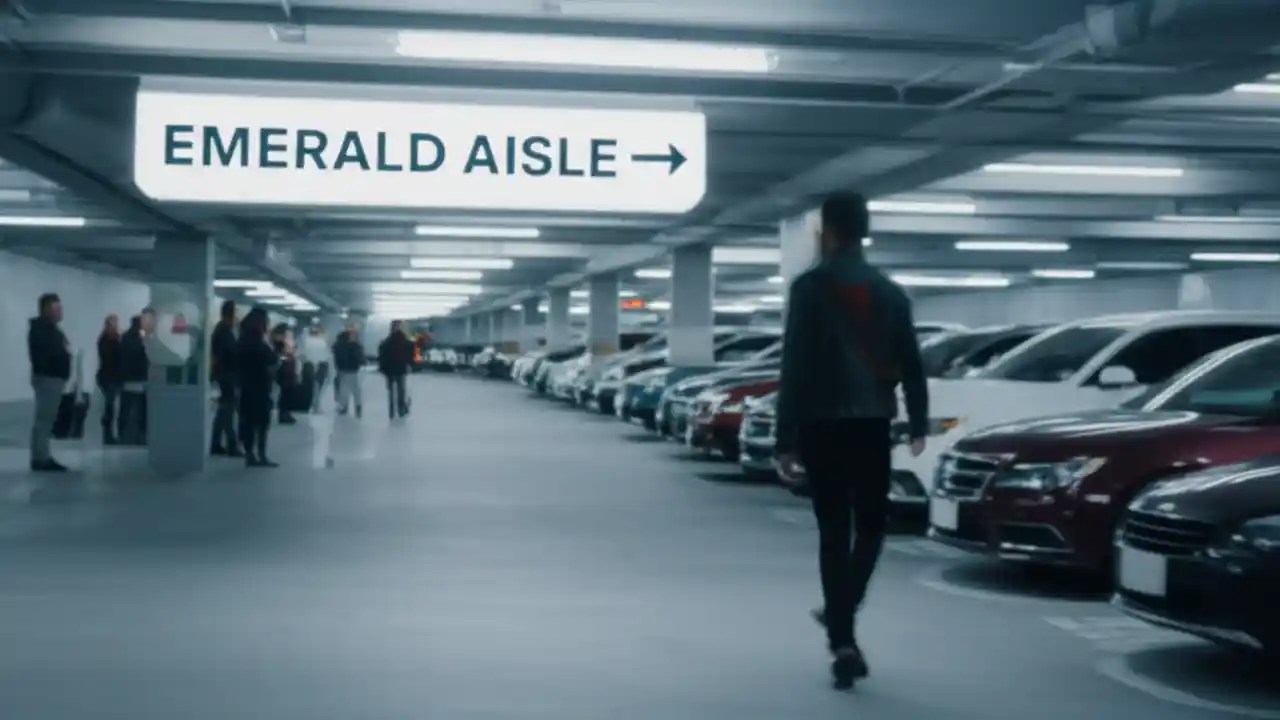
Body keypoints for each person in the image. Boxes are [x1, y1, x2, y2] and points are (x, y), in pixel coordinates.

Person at [773, 191, 928, 690]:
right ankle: (844, 613)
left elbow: (794, 365)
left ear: (829, 229)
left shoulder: (810, 287)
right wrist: (920, 420)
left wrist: (784, 437)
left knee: (833, 531)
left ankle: (842, 633)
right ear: (862, 230)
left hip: (822, 425)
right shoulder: (890, 291)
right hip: (872, 424)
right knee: (873, 526)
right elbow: (912, 361)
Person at [27, 293, 72, 472]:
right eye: (56, 308)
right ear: (46, 309)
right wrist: (62, 354)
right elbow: (46, 355)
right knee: (44, 420)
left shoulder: (52, 330)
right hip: (48, 379)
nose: (60, 312)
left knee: (46, 420)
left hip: (53, 379)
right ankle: (40, 458)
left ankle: (41, 455)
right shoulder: (41, 330)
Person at [237, 307, 278, 468]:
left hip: (246, 386)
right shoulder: (259, 343)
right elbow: (272, 359)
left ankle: (249, 453)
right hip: (260, 387)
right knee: (261, 423)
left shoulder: (242, 341)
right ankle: (261, 454)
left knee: (248, 421)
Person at [118, 308, 155, 445]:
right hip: (135, 378)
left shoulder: (126, 338)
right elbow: (138, 355)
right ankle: (133, 436)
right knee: (133, 410)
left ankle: (129, 436)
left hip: (133, 379)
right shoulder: (133, 339)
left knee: (130, 410)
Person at [210, 300, 241, 457]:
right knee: (227, 411)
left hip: (225, 375)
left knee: (224, 411)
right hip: (226, 376)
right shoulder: (224, 332)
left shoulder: (222, 330)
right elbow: (224, 355)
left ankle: (216, 443)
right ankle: (231, 444)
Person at [96, 314, 123, 445]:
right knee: (109, 407)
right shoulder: (106, 341)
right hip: (108, 378)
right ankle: (108, 436)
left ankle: (109, 435)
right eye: (114, 325)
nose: (116, 328)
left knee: (110, 407)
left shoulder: (113, 339)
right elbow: (109, 357)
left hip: (112, 377)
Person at [377, 320, 413, 420]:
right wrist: (410, 364)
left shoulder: (387, 341)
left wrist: (382, 368)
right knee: (400, 391)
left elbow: (382, 354)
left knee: (392, 392)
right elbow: (410, 353)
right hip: (399, 369)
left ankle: (392, 412)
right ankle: (401, 410)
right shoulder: (404, 340)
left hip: (391, 370)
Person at [333, 322, 365, 418]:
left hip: (342, 369)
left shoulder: (338, 345)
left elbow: (336, 356)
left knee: (343, 389)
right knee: (355, 389)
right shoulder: (355, 345)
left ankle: (344, 407)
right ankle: (357, 407)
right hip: (353, 369)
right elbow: (360, 357)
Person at [272, 324, 299, 425]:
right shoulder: (279, 344)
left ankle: (286, 413)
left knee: (288, 392)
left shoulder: (284, 341)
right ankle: (283, 413)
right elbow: (280, 354)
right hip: (284, 368)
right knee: (285, 392)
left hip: (288, 367)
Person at [303, 325, 330, 413]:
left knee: (313, 386)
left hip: (311, 364)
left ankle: (314, 404)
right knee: (319, 386)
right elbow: (325, 355)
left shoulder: (307, 341)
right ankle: (316, 406)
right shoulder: (321, 342)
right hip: (321, 364)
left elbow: (306, 354)